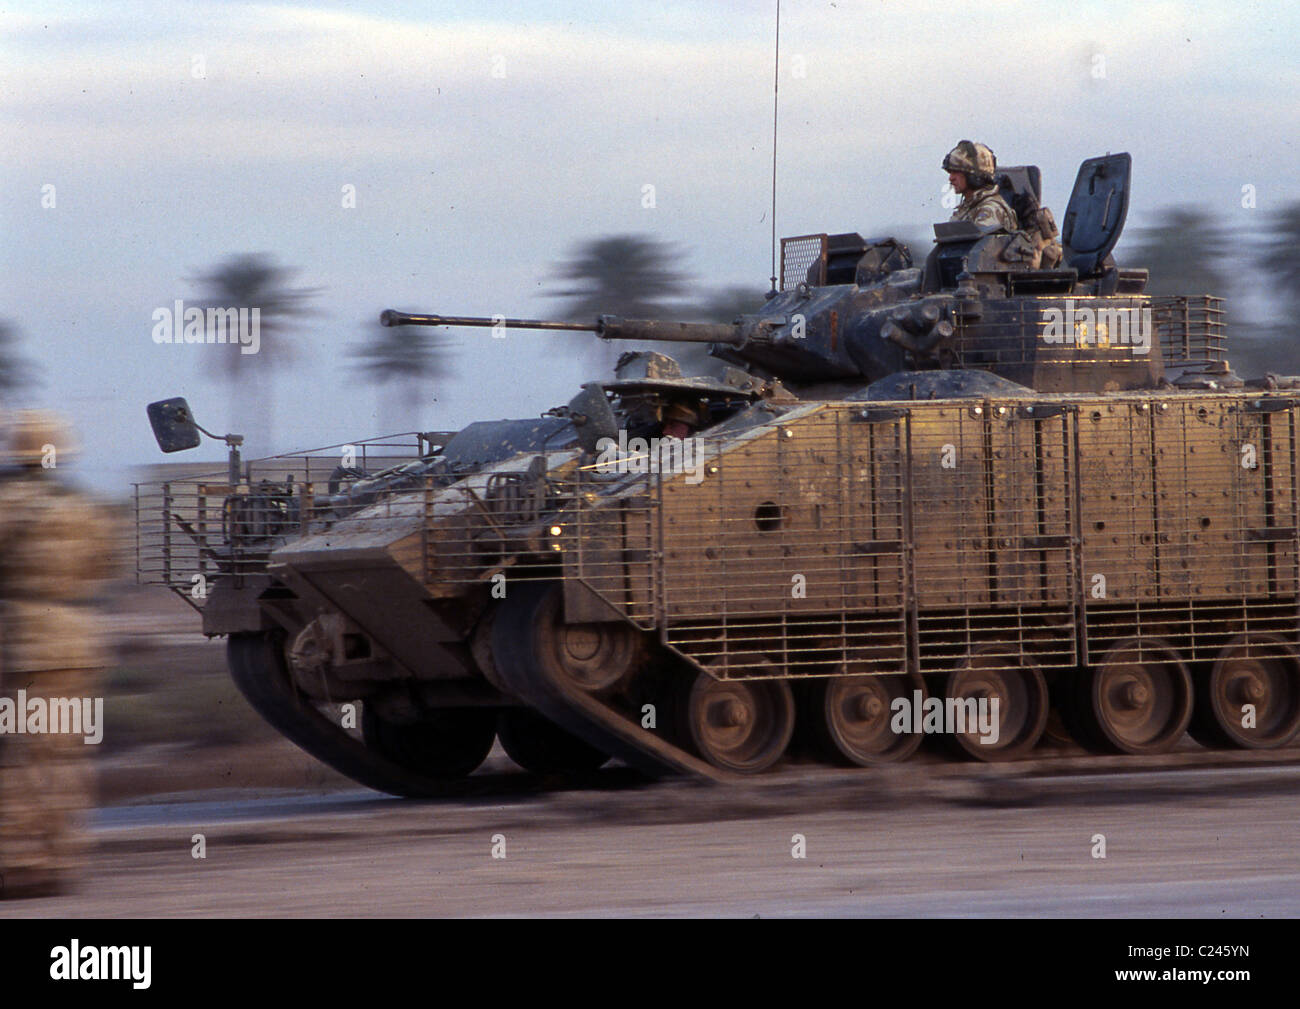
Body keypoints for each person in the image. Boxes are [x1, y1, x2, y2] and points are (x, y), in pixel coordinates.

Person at [0, 411, 115, 899]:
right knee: (65, 754)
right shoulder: (87, 508)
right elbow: (103, 567)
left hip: (22, 643)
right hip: (77, 642)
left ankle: (20, 861)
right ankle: (58, 857)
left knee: (19, 756)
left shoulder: (7, 504)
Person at [943, 140, 1018, 233]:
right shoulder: (967, 208)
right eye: (950, 172)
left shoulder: (991, 209)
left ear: (973, 176)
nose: (951, 178)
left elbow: (982, 246)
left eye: (956, 172)